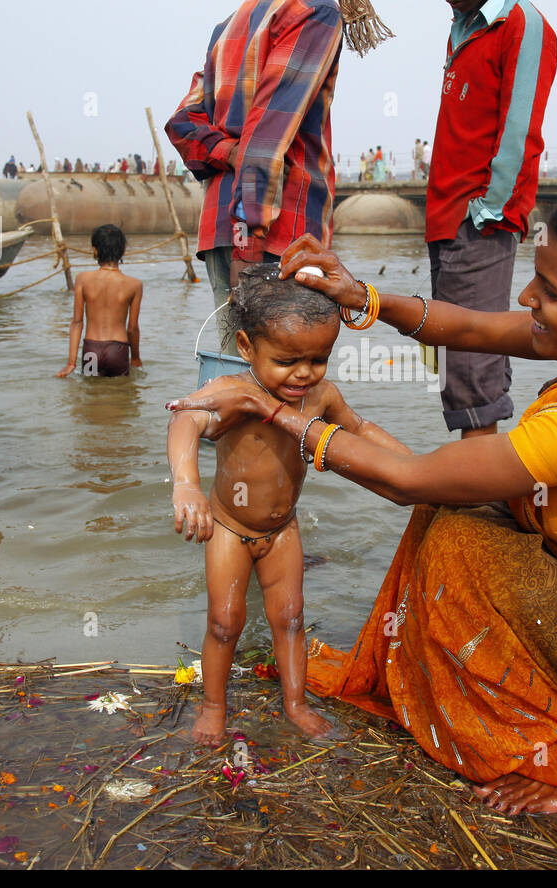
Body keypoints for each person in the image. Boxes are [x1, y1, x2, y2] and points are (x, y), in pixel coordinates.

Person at [171, 194, 557, 815]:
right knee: (461, 510)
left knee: (456, 531)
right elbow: (474, 329)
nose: (529, 297)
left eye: (551, 291)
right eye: (535, 275)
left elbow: (410, 480)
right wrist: (362, 296)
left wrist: (278, 413)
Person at [165, 264, 409, 745]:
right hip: (229, 527)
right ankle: (213, 705)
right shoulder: (233, 392)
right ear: (245, 348)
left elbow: (358, 431)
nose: (304, 373)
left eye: (319, 358)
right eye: (287, 360)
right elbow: (185, 421)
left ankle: (295, 702)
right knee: (224, 621)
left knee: (292, 617)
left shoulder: (319, 396)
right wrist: (186, 484)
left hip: (283, 530)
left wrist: (415, 465)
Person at [167, 0, 391, 339]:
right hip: (276, 237)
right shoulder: (314, 10)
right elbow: (267, 140)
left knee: (234, 384)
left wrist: (226, 153)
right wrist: (251, 242)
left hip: (222, 233)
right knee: (280, 394)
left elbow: (183, 124)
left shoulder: (234, 21)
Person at [414, 0, 557, 439]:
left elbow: (520, 133)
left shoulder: (522, 26)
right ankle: (477, 479)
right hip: (444, 216)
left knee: (473, 362)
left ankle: (482, 500)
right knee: (450, 357)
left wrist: (488, 210)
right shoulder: (465, 23)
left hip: (478, 220)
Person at [55, 224, 143, 378]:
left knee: (90, 395)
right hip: (118, 351)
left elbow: (77, 322)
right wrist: (135, 358)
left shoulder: (82, 279)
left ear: (95, 250)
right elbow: (132, 328)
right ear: (123, 250)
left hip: (91, 351)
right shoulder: (134, 284)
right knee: (122, 396)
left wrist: (71, 362)